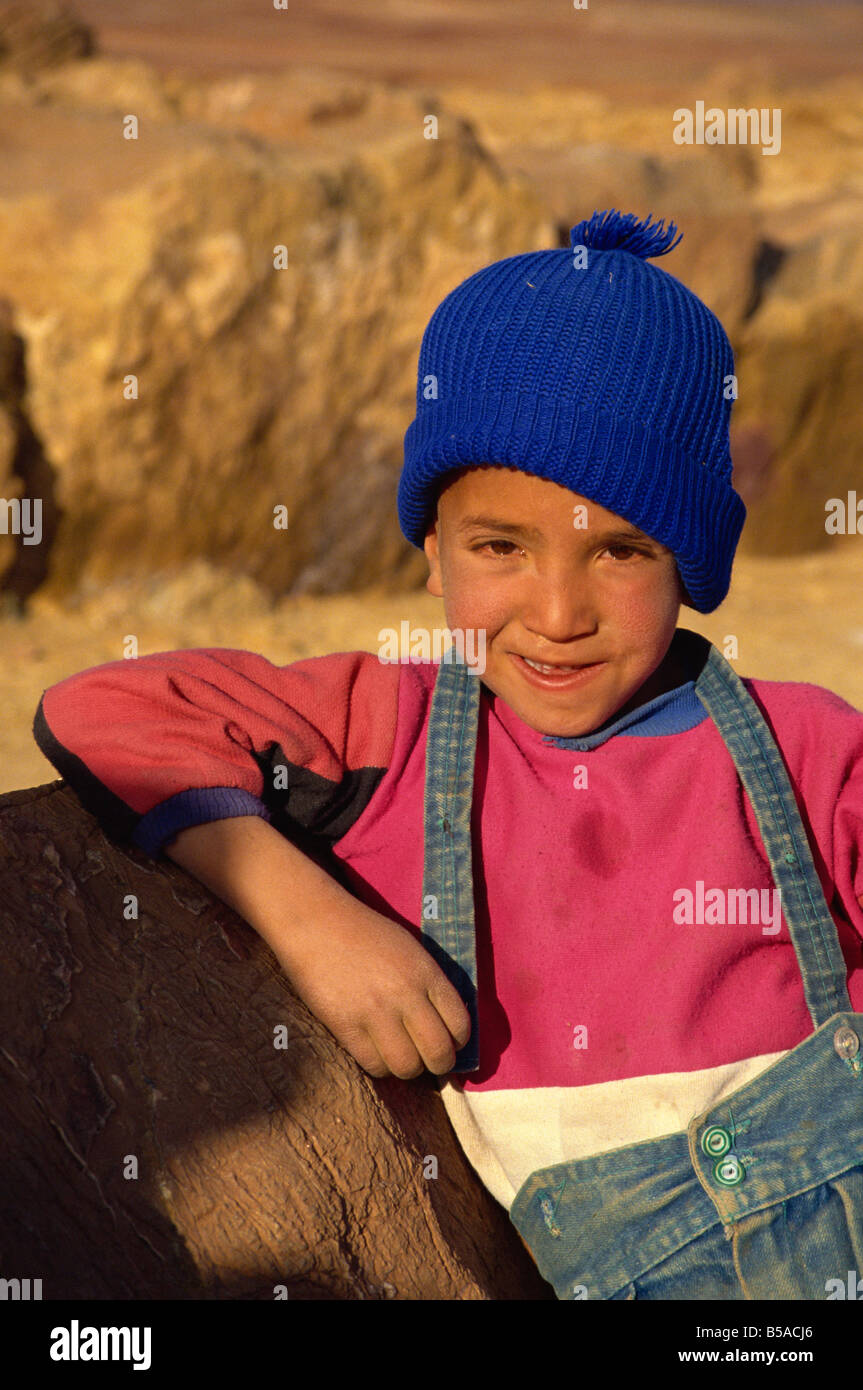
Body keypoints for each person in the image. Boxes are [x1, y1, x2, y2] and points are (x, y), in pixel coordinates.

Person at [33, 210, 863, 1300]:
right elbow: (114, 707)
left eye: (619, 549)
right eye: (499, 548)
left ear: (691, 561)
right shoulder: (393, 730)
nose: (557, 612)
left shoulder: (804, 746)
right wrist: (309, 916)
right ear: (432, 553)